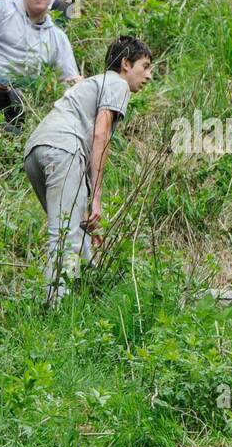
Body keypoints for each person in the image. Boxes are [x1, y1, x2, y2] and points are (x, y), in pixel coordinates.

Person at [23, 33, 152, 303]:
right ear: (126, 64)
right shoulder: (117, 83)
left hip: (36, 150)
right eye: (146, 67)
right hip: (63, 150)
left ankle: (91, 297)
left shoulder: (93, 83)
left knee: (73, 228)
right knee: (66, 237)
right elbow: (99, 134)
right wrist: (96, 199)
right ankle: (54, 311)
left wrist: (88, 213)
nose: (149, 76)